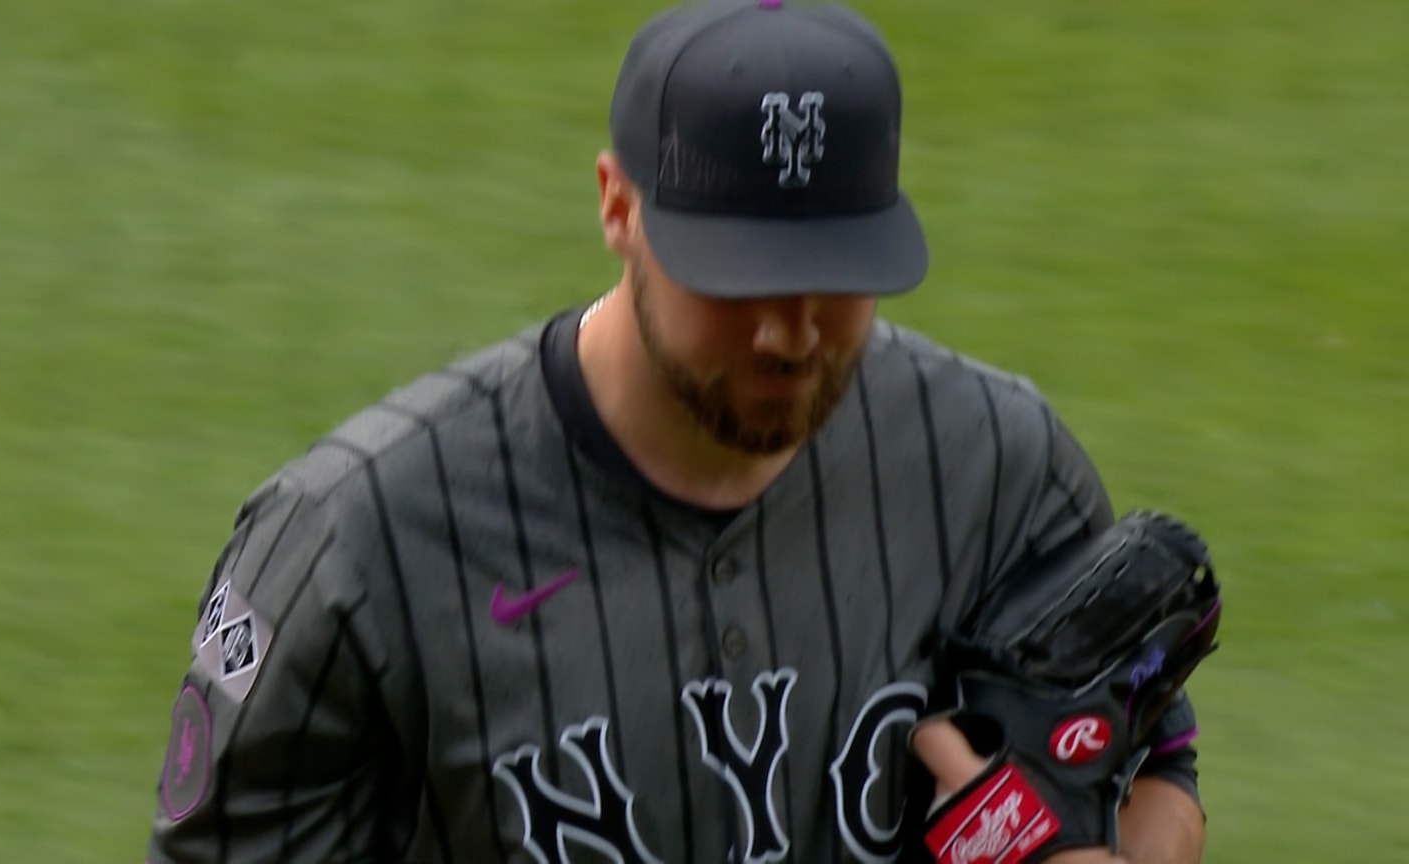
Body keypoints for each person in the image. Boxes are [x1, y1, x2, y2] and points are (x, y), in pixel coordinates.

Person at [144, 0, 1209, 861]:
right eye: (740, 278)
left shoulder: (1001, 474)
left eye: (836, 279)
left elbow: (1157, 770)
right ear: (617, 206)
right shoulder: (357, 542)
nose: (790, 331)